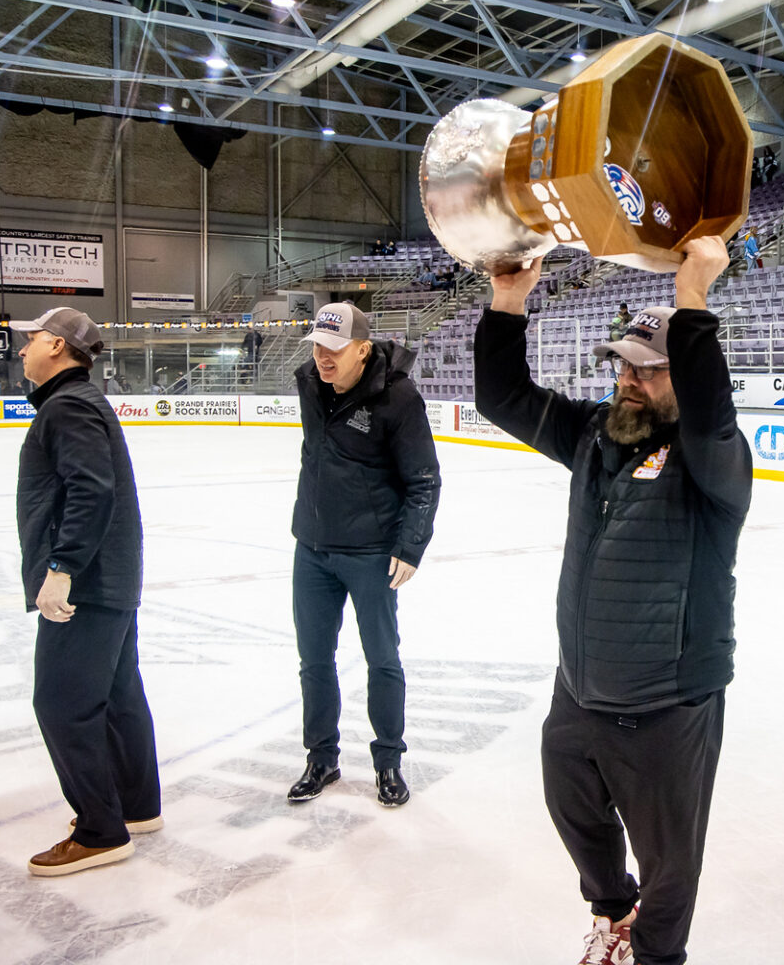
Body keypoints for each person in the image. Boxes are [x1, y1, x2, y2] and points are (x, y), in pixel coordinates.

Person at [474, 237, 751, 965]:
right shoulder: (597, 434)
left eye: (650, 371)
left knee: (671, 859)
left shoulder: (712, 463)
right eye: (624, 365)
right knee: (571, 808)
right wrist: (508, 303)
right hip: (581, 688)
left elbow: (712, 412)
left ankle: (656, 955)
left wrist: (694, 300)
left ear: (682, 379)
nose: (629, 379)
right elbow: (502, 398)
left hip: (667, 701)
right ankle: (611, 909)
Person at [8, 307, 160, 877]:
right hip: (111, 578)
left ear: (58, 346)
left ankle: (100, 829)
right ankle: (137, 805)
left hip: (87, 586)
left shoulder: (68, 405)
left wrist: (63, 567)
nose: (23, 349)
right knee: (118, 696)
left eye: (32, 339)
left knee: (62, 704)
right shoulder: (78, 402)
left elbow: (90, 492)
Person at [286, 302, 441, 807]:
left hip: (371, 553)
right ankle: (321, 757)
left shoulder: (397, 398)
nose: (322, 358)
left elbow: (423, 480)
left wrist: (410, 545)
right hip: (311, 548)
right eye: (316, 346)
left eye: (333, 349)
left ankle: (388, 761)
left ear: (362, 349)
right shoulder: (310, 382)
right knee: (314, 661)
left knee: (382, 659)